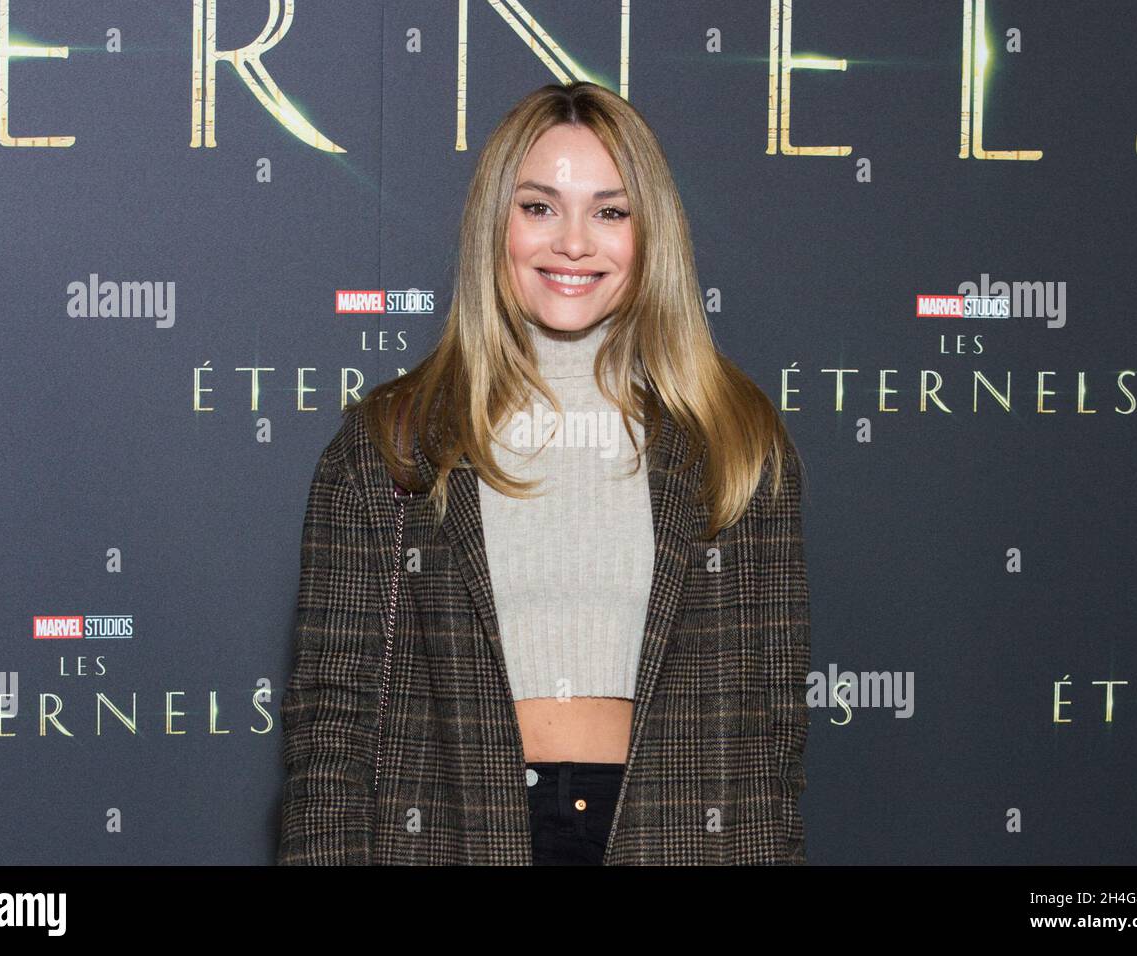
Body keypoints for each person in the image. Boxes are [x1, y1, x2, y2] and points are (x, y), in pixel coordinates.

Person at [278, 81, 811, 866]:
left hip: (670, 838)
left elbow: (768, 732)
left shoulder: (736, 441)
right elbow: (333, 720)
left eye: (609, 210)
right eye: (538, 207)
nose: (572, 242)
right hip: (454, 837)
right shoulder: (390, 442)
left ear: (649, 233)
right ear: (495, 225)